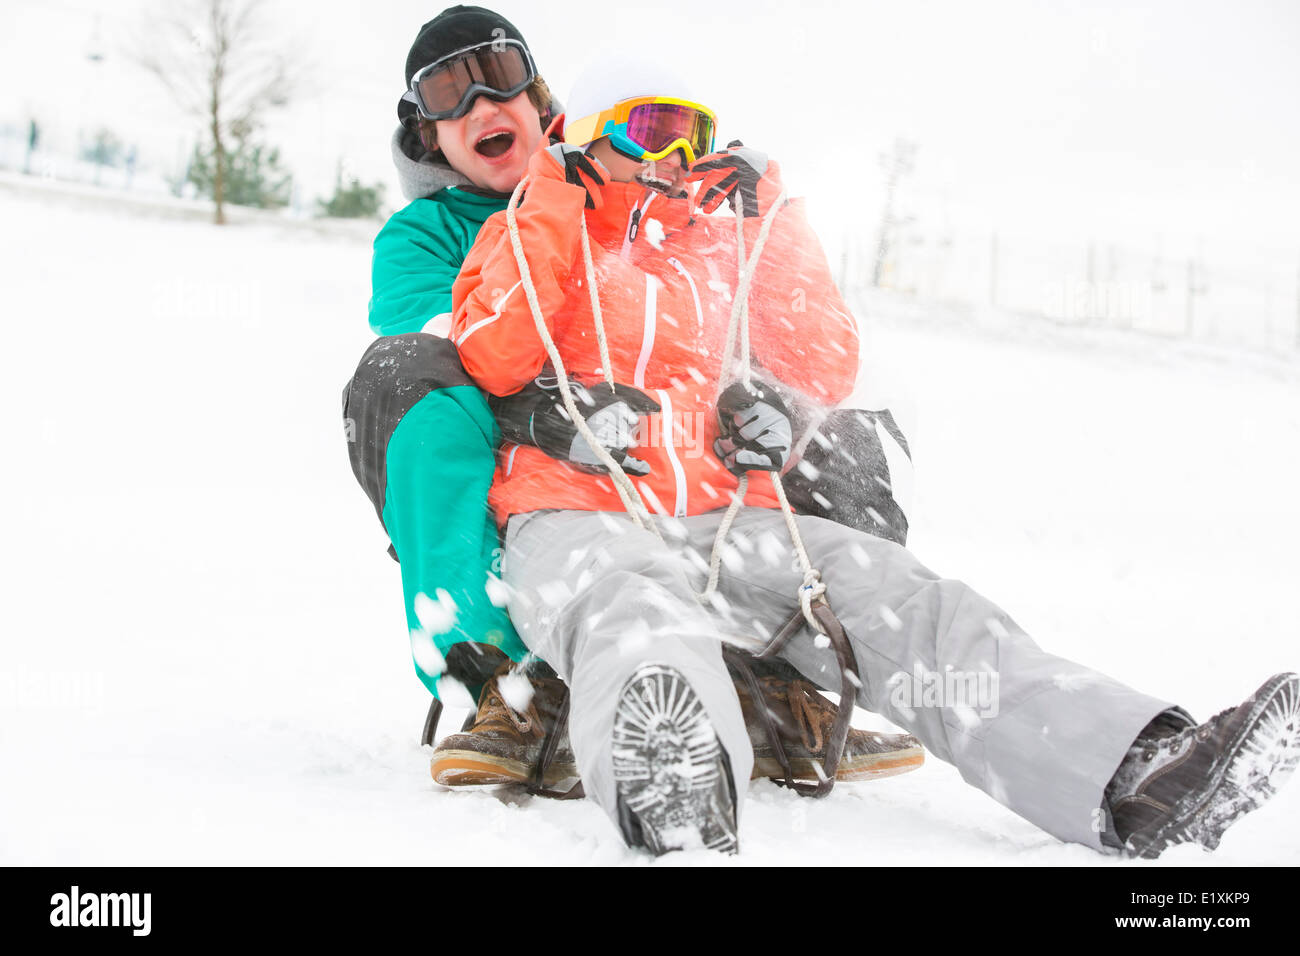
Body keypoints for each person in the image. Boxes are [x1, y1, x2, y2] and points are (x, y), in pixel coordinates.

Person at [448, 59, 1300, 856]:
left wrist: (770, 219)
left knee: (895, 595)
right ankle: (676, 785)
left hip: (716, 515)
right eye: (648, 130)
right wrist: (553, 192)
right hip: (573, 513)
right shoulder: (538, 227)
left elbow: (824, 364)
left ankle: (1131, 771)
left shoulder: (714, 252)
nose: (673, 156)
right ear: (587, 139)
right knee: (633, 614)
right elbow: (494, 351)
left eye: (693, 137)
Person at [342, 7, 923, 795]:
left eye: (501, 78)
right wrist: (536, 407)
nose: (483, 106)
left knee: (821, 428)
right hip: (538, 481)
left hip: (663, 472)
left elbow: (722, 336)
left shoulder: (624, 190)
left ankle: (770, 681)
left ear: (543, 103)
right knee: (415, 384)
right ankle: (509, 688)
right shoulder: (428, 235)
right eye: (451, 95)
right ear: (428, 137)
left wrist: (762, 373)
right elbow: (441, 340)